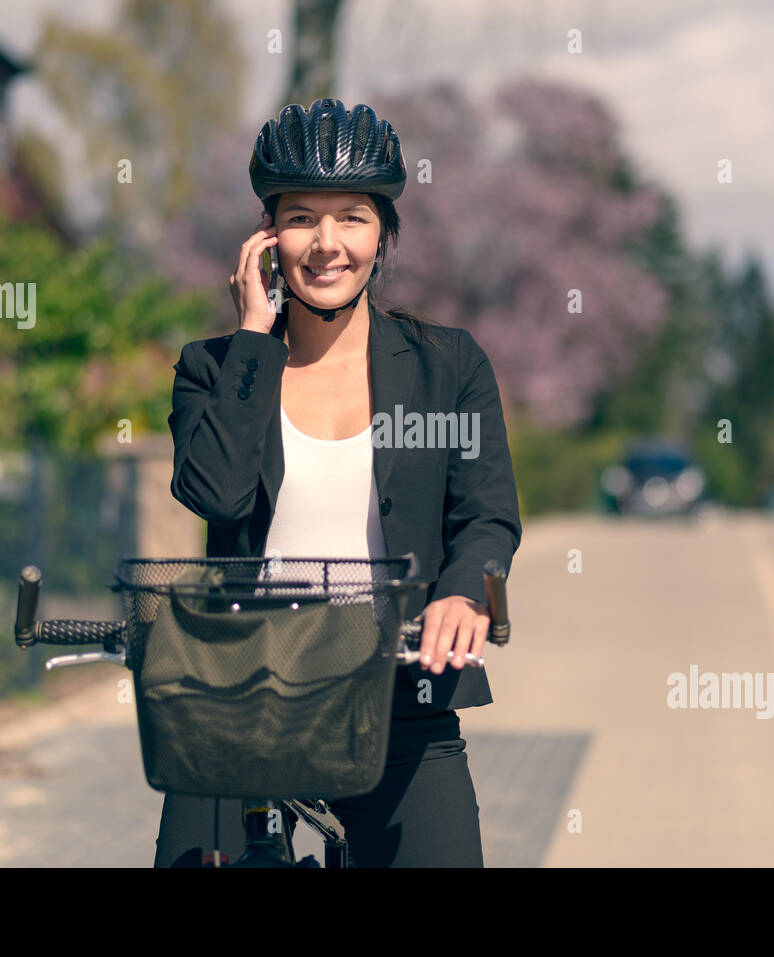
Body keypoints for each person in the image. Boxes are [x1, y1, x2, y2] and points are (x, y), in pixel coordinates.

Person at [154, 99, 521, 867]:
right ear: (266, 238)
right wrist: (254, 339)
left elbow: (485, 517)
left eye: (351, 217)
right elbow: (216, 494)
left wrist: (461, 591)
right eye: (300, 219)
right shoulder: (214, 370)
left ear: (383, 234)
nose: (326, 244)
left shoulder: (447, 367)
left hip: (401, 701)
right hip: (239, 698)